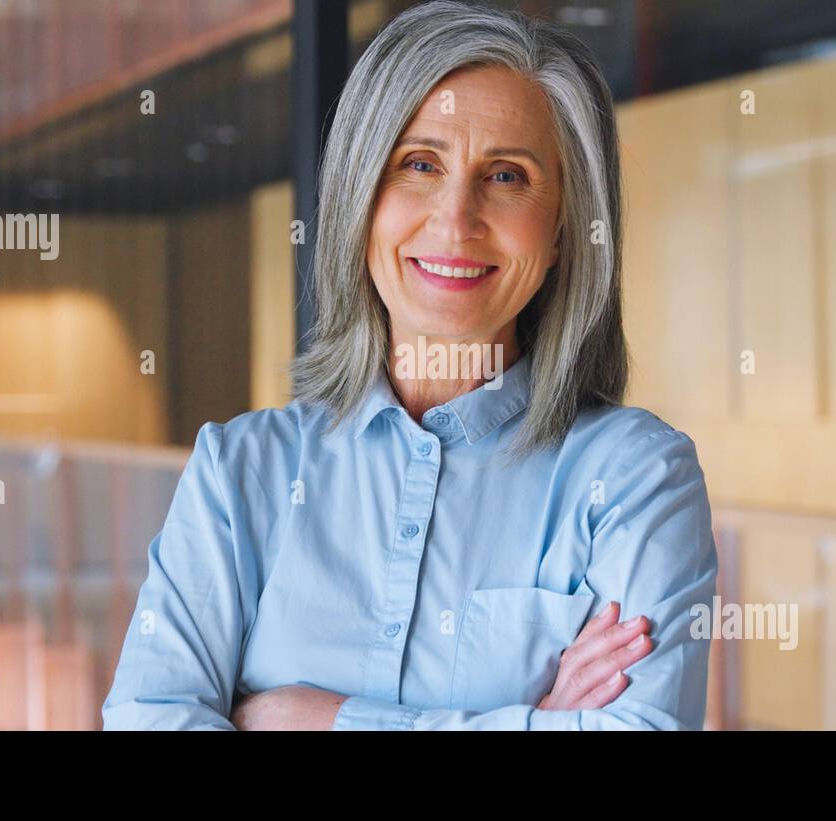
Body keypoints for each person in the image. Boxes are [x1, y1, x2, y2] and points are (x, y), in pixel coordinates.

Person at [102, 0, 718, 731]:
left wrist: (310, 718)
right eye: (420, 164)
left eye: (509, 176)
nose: (456, 219)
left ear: (561, 231)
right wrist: (532, 719)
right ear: (361, 200)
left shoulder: (637, 479)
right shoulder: (239, 475)